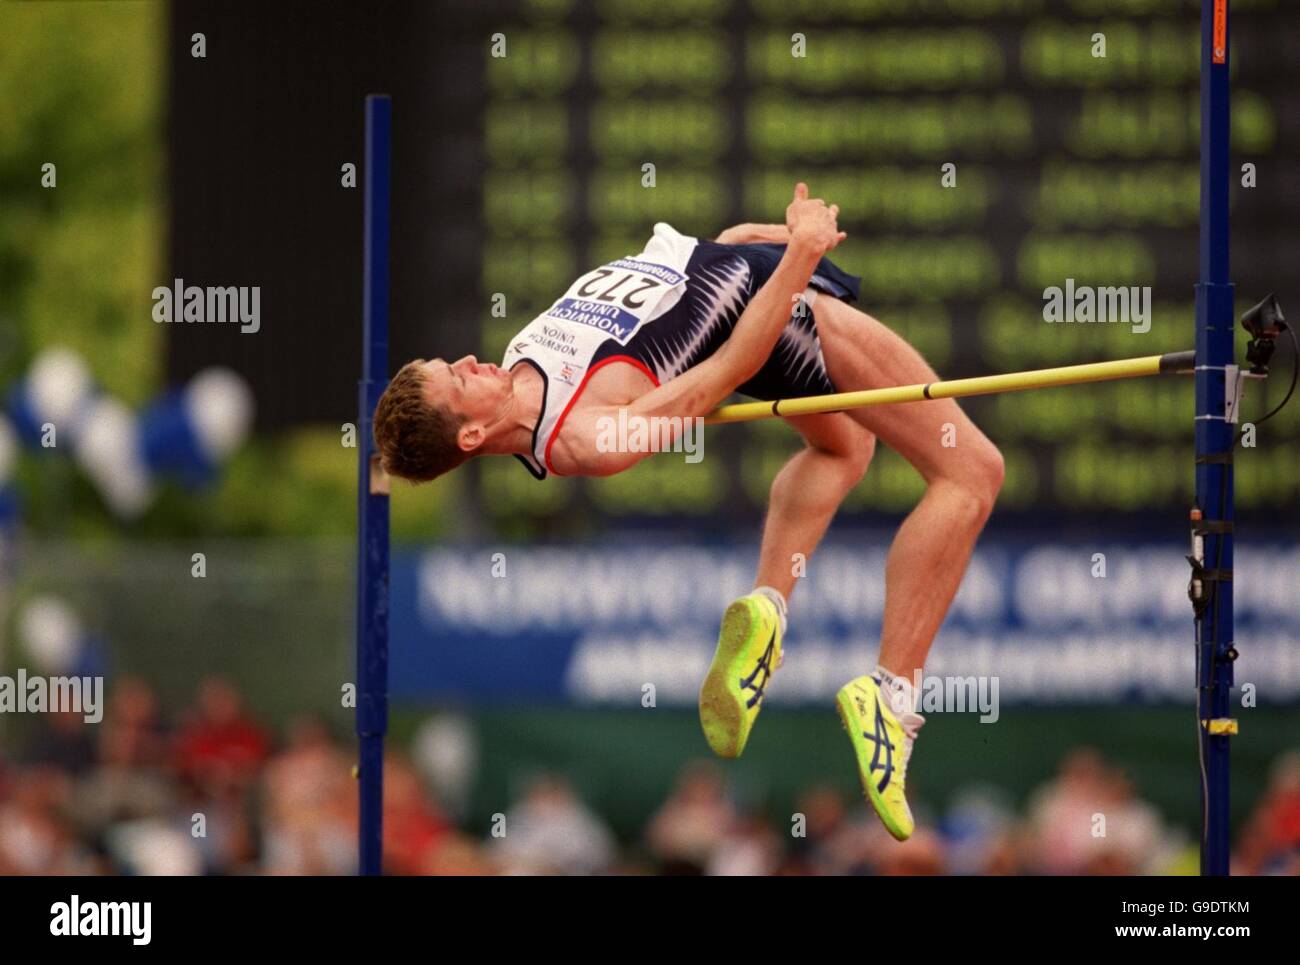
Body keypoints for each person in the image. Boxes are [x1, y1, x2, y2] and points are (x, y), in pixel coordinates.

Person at [373, 184, 1005, 841]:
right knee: (971, 473)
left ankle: (769, 606)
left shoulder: (521, 356)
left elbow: (667, 288)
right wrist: (801, 257)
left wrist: (746, 241)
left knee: (845, 446)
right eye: (458, 378)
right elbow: (726, 368)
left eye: (452, 363)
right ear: (472, 435)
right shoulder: (590, 438)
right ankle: (891, 694)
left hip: (742, 276)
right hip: (775, 309)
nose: (469, 361)